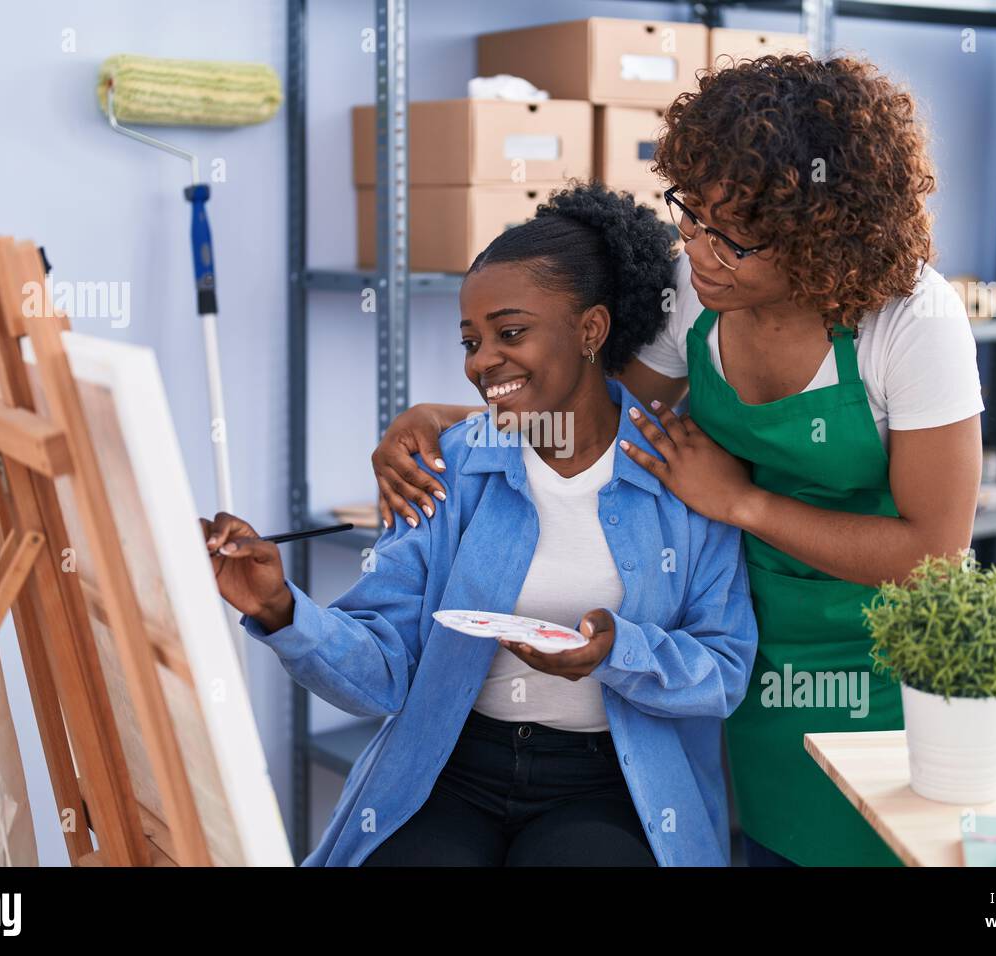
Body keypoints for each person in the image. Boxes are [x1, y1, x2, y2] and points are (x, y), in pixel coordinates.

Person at [369, 55, 984, 866]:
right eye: (691, 214)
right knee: (770, 844)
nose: (698, 248)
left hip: (882, 648)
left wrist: (743, 504)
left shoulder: (910, 322)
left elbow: (933, 554)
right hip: (752, 631)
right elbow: (598, 418)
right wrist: (442, 421)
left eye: (732, 236)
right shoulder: (693, 292)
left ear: (821, 233)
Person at [203, 182, 758, 866]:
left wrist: (619, 651)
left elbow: (724, 672)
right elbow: (381, 671)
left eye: (510, 332)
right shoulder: (451, 467)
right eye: (471, 340)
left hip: (612, 781)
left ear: (591, 330)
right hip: (452, 768)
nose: (481, 361)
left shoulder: (682, 473)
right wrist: (281, 609)